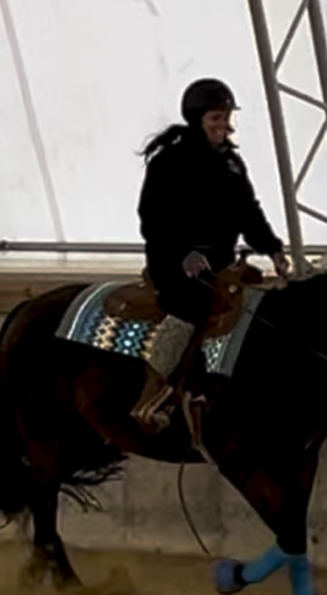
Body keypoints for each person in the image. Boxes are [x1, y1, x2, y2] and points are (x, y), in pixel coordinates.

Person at [131, 77, 291, 431]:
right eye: (216, 118)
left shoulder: (231, 163)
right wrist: (182, 254)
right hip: (174, 263)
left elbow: (249, 212)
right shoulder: (169, 162)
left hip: (221, 263)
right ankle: (152, 395)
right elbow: (152, 217)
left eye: (226, 117)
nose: (224, 125)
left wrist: (274, 248)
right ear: (198, 118)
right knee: (190, 309)